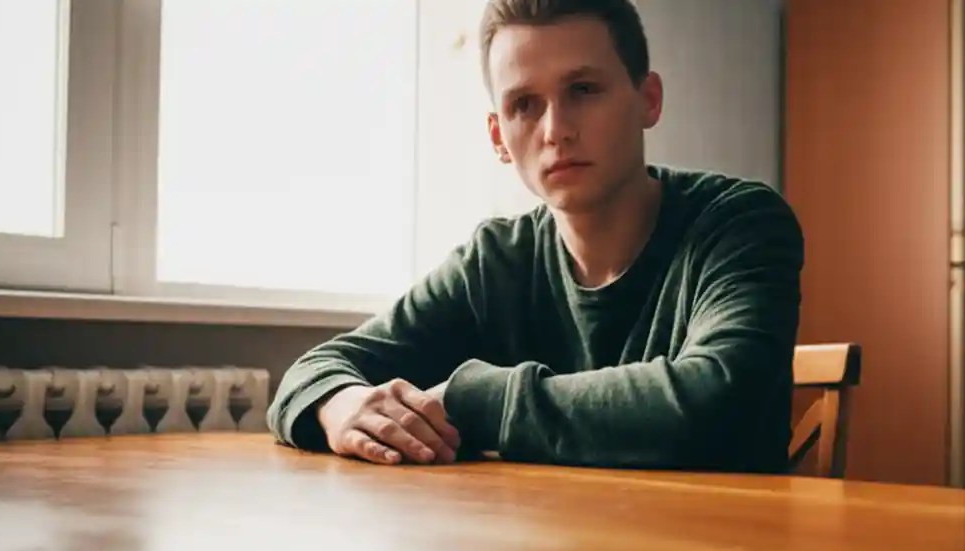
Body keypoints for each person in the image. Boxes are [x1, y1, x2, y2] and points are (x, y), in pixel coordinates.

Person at [268, 0, 804, 473]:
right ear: (499, 136)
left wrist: (477, 401)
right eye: (525, 104)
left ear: (648, 99)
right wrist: (342, 406)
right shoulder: (495, 262)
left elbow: (719, 402)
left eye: (584, 90)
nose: (555, 130)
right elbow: (314, 371)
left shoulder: (741, 223)